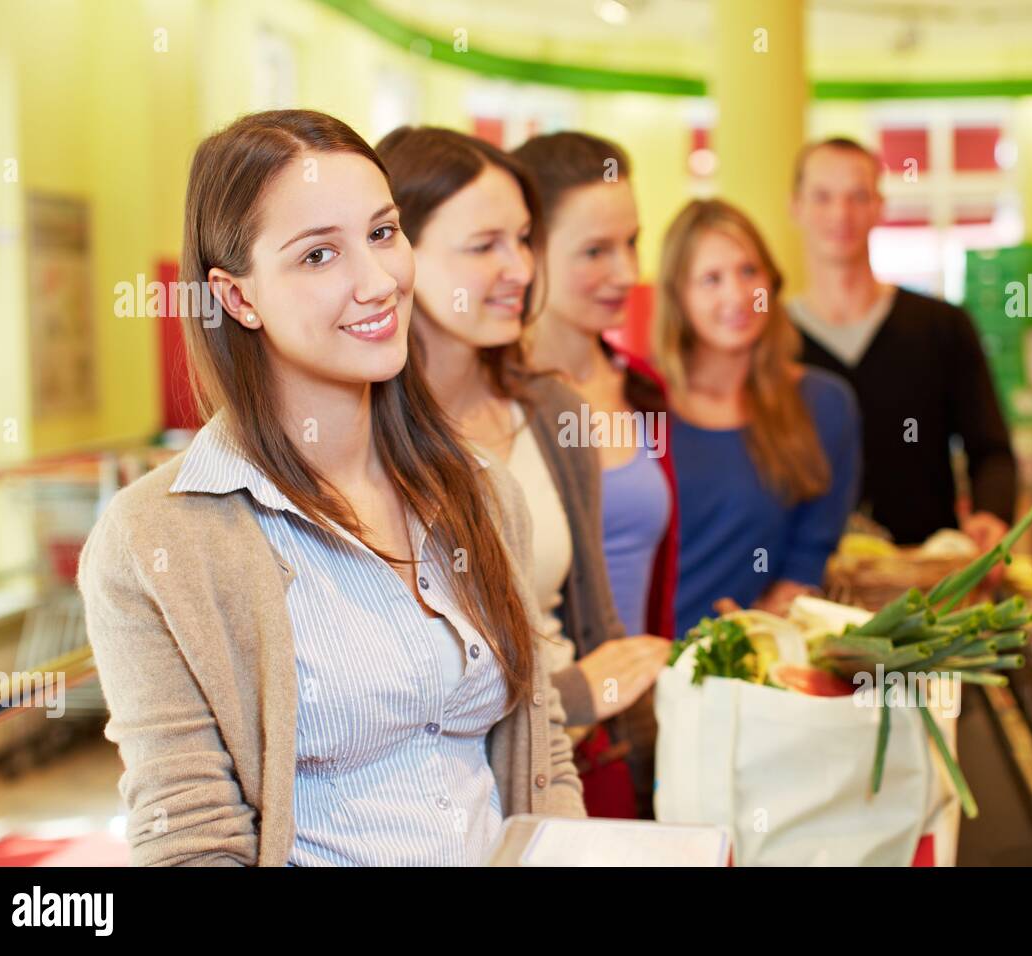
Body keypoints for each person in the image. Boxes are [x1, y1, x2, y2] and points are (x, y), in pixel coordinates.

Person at [77, 109, 584, 867]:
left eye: (383, 233)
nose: (378, 282)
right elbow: (189, 838)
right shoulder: (158, 537)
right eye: (318, 256)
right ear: (238, 297)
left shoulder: (481, 490)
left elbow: (541, 752)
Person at [374, 126, 668, 819]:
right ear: (395, 256)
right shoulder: (360, 438)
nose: (521, 269)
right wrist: (569, 696)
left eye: (524, 239)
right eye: (485, 246)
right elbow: (382, 702)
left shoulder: (551, 411)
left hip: (570, 777)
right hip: (429, 814)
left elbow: (595, 624)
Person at [789, 136, 1017, 548]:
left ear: (880, 207)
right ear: (796, 208)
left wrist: (989, 515)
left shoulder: (942, 325)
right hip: (805, 587)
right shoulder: (771, 340)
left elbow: (992, 450)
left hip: (929, 587)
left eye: (857, 196)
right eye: (822, 197)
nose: (840, 213)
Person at [654, 198, 861, 634]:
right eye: (710, 279)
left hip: (745, 670)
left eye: (749, 272)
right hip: (635, 668)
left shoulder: (824, 405)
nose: (737, 294)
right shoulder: (639, 407)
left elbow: (808, 558)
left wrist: (750, 637)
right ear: (678, 297)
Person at [512, 131, 679, 642]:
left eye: (631, 243)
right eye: (595, 251)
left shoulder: (642, 386)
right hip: (547, 712)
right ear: (527, 250)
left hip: (637, 707)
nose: (627, 272)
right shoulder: (489, 401)